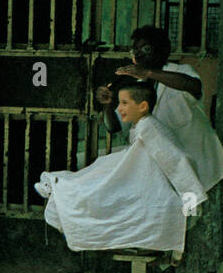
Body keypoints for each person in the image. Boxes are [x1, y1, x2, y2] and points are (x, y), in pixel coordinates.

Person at [98, 25, 223, 273]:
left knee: (204, 247)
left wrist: (148, 73)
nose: (140, 54)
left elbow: (193, 86)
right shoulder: (132, 86)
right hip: (166, 179)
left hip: (203, 171)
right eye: (137, 49)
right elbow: (113, 127)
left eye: (146, 48)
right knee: (170, 239)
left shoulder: (179, 73)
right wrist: (108, 102)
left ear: (162, 51)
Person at [37, 79, 207, 254]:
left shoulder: (149, 127)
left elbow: (176, 163)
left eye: (124, 103)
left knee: (85, 192)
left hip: (151, 192)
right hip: (145, 186)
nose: (119, 108)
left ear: (142, 106)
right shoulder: (143, 125)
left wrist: (191, 205)